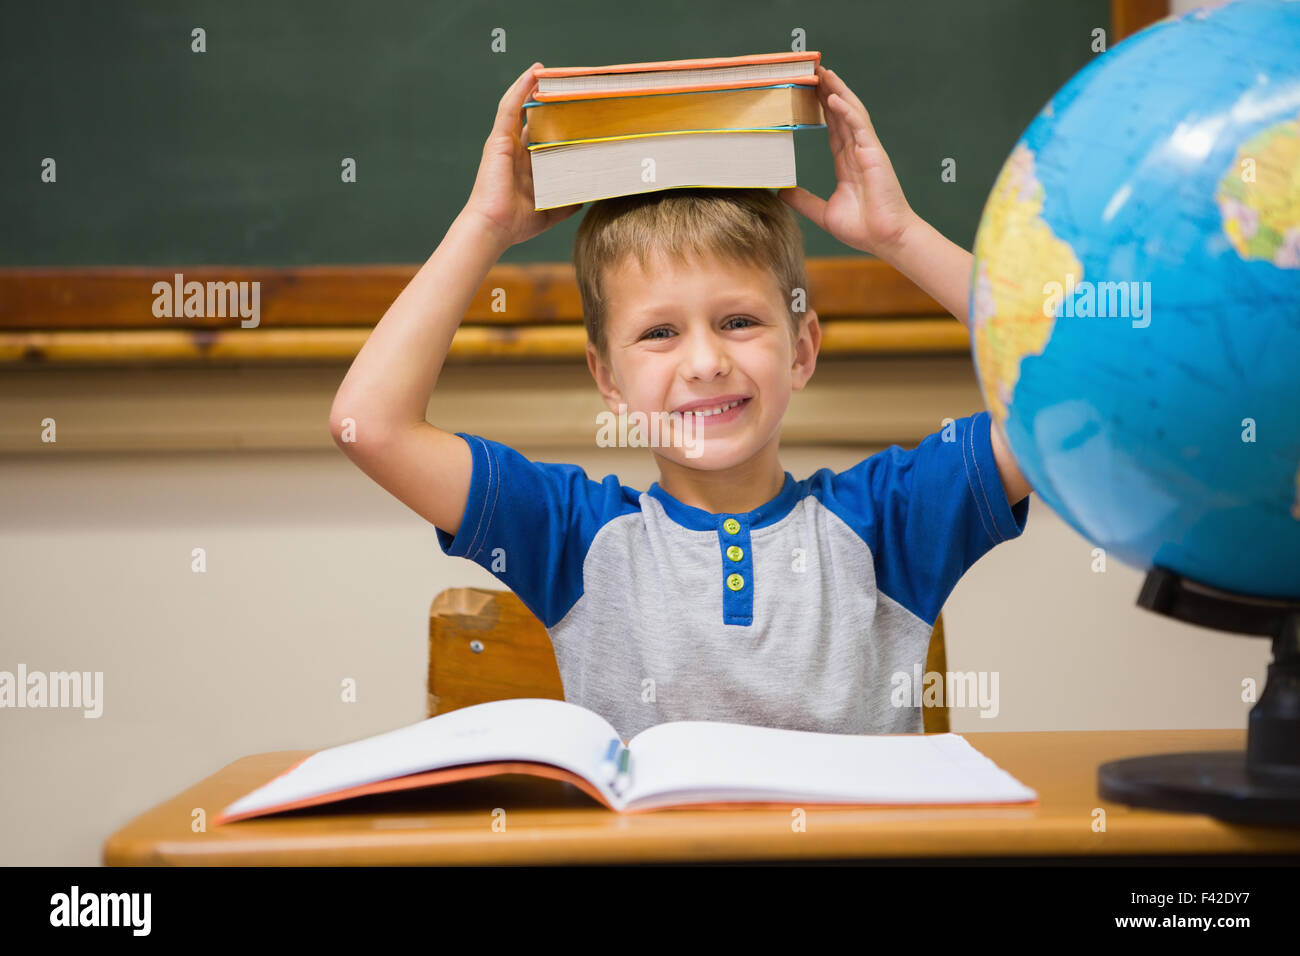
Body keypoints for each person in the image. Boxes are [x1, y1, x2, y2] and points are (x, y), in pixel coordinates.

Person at [330, 62, 1032, 741]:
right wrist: (484, 225)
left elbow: (1066, 381)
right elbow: (369, 426)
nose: (705, 362)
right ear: (608, 379)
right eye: (660, 333)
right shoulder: (572, 536)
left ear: (802, 350)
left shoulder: (895, 520)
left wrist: (899, 236)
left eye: (739, 322)